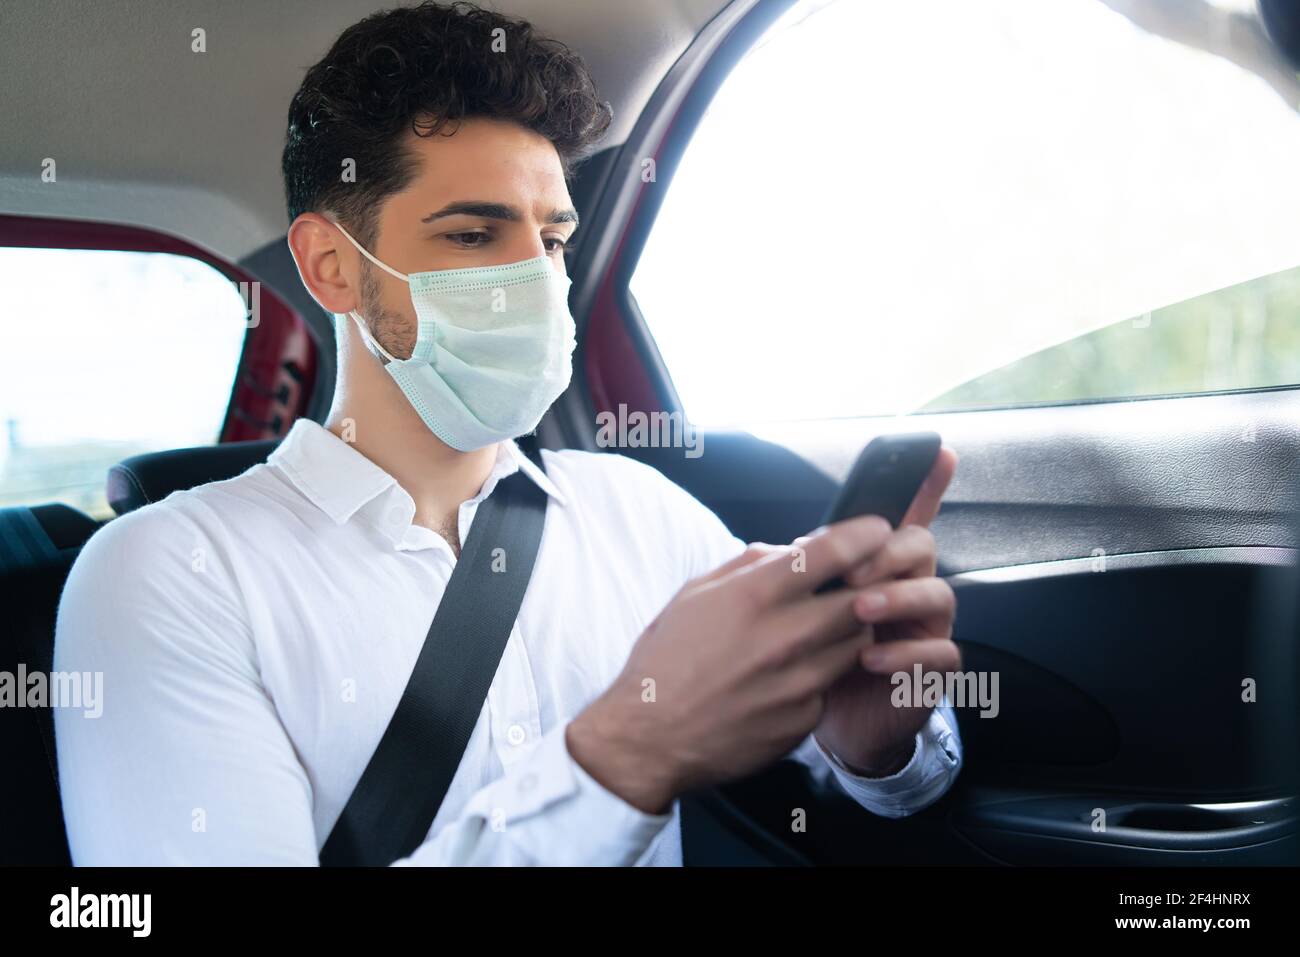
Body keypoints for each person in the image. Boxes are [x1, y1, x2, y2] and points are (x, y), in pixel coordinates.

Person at [54, 0, 962, 866]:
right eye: (474, 236)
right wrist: (623, 756)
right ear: (332, 267)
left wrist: (878, 747)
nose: (536, 277)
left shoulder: (643, 516)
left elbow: (890, 788)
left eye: (554, 239)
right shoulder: (167, 575)